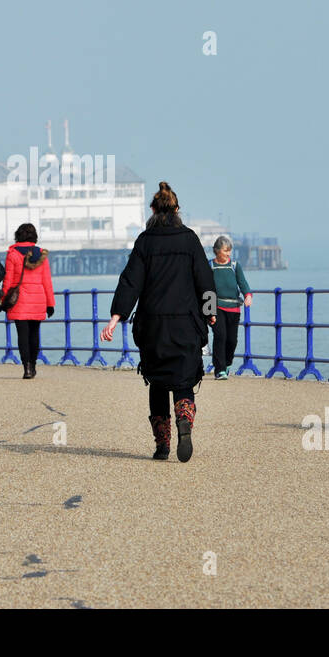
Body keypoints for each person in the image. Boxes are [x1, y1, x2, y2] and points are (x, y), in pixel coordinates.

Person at [102, 182, 215, 462]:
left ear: (152, 209)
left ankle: (162, 444)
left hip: (153, 325)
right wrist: (211, 312)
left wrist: (116, 317)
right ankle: (184, 416)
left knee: (157, 382)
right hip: (186, 323)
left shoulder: (144, 241)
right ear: (177, 210)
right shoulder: (189, 239)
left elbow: (130, 282)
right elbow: (205, 277)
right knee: (184, 377)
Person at [1, 223, 55, 379]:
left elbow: (8, 280)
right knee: (34, 334)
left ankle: (27, 368)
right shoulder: (41, 255)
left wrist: (3, 299)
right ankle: (34, 364)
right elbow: (47, 281)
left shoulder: (13, 254)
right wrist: (50, 304)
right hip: (38, 298)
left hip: (20, 300)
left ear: (18, 235)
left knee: (22, 335)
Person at [209, 235, 252, 378]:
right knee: (220, 336)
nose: (228, 253)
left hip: (233, 307)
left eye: (229, 251)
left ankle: (227, 364)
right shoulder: (210, 266)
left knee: (232, 340)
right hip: (216, 306)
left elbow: (243, 282)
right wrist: (209, 311)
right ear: (216, 251)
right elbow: (205, 288)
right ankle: (219, 369)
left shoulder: (234, 265)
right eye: (225, 251)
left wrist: (248, 295)